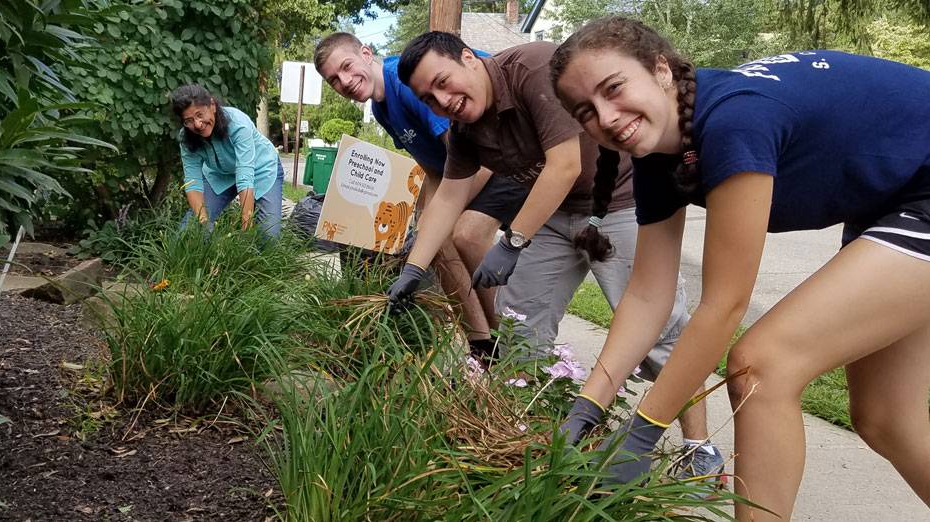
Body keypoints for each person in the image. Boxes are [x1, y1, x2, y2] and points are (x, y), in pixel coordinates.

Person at [550, 16, 930, 519]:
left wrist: (644, 431)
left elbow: (724, 304)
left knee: (762, 367)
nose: (607, 116)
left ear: (660, 69)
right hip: (898, 199)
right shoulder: (664, 152)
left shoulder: (732, 122)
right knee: (886, 419)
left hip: (917, 194)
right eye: (587, 110)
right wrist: (589, 405)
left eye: (614, 88)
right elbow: (647, 296)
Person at [395, 32, 723, 482]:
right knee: (519, 325)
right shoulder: (466, 128)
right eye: (429, 97)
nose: (442, 100)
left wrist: (511, 242)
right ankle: (532, 436)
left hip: (621, 204)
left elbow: (564, 164)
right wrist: (414, 267)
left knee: (661, 332)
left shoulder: (532, 68)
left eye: (444, 82)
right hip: (554, 211)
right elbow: (450, 196)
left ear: (469, 58)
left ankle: (697, 446)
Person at [313, 32, 531, 355]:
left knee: (463, 235)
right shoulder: (380, 109)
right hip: (469, 168)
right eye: (334, 80)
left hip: (503, 155)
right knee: (430, 234)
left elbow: (466, 158)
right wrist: (423, 217)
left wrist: (436, 219)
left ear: (365, 53)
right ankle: (482, 342)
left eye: (346, 66)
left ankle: (505, 339)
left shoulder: (408, 85)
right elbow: (431, 168)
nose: (344, 81)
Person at [171, 84, 283, 237]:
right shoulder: (186, 138)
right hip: (220, 175)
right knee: (189, 231)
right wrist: (204, 224)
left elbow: (245, 177)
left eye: (200, 114)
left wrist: (246, 227)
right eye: (189, 120)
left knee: (268, 236)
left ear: (212, 106)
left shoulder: (237, 123)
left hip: (260, 170)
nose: (197, 124)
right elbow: (192, 182)